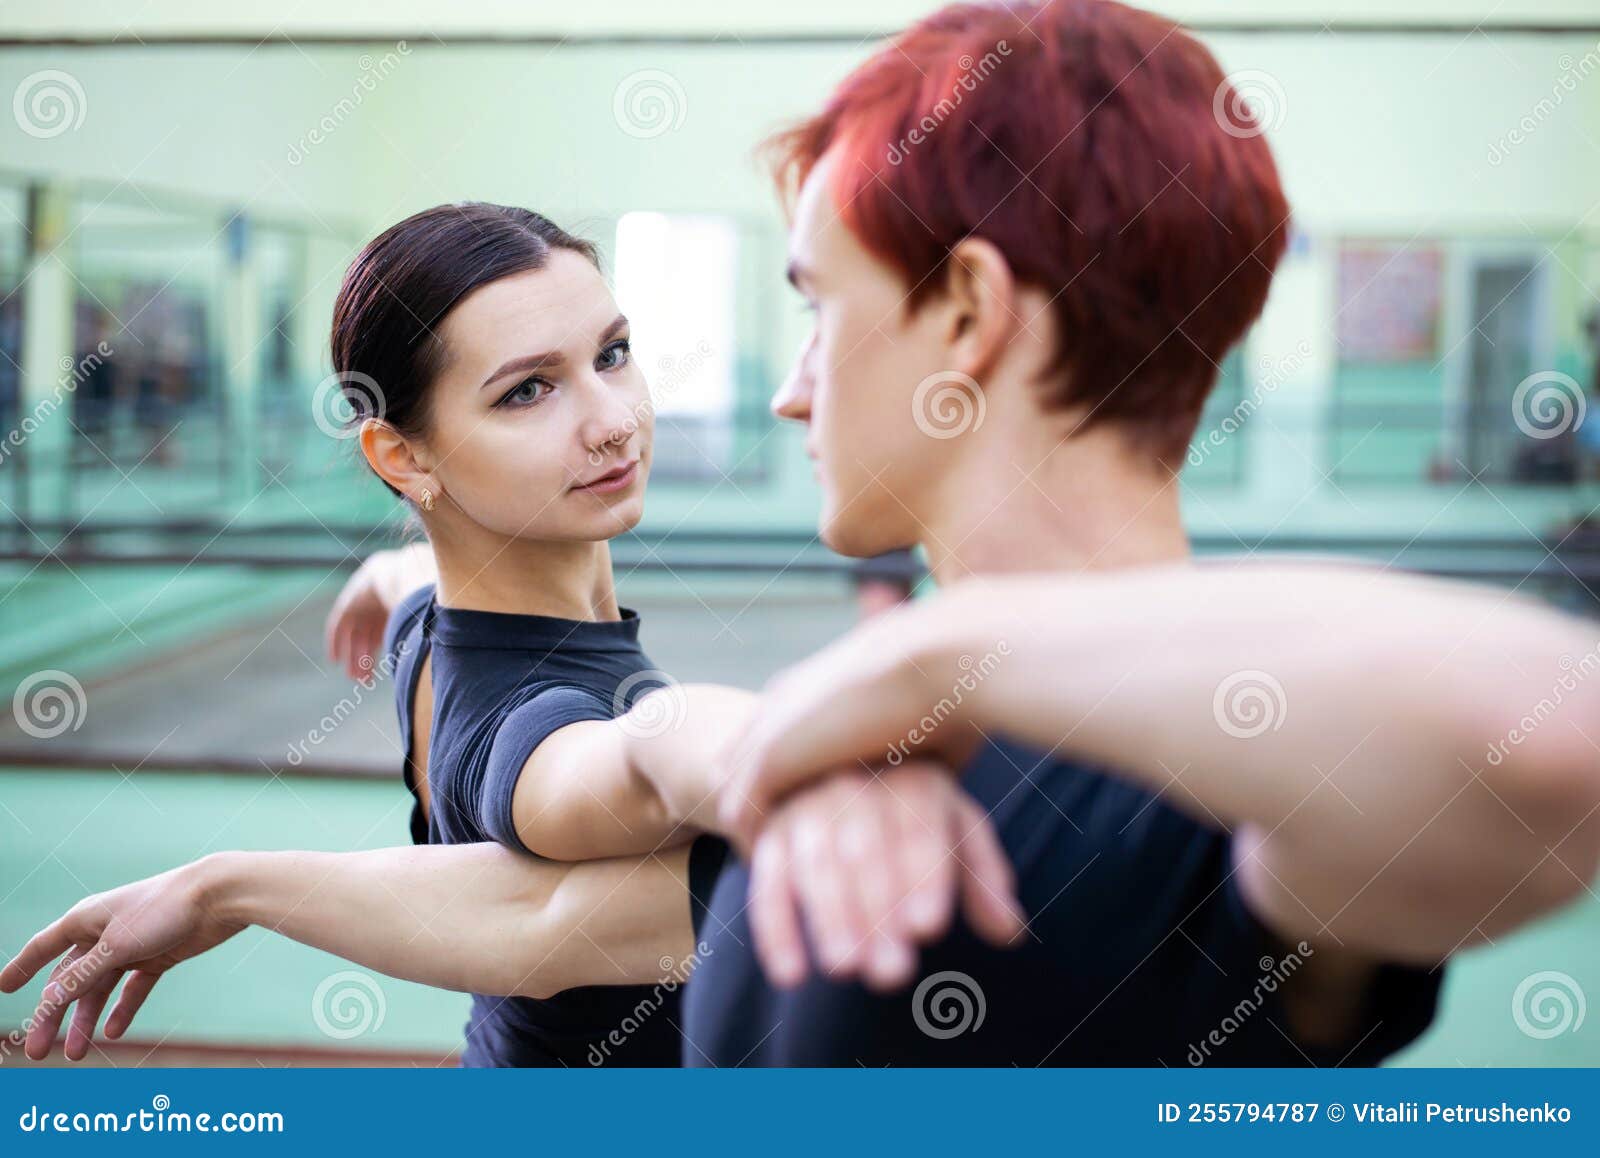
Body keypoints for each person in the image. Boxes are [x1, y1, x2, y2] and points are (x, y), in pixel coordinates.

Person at [8, 0, 1600, 1067]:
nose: (789, 391)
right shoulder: (889, 763)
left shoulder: (1207, 785)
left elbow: (1547, 742)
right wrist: (401, 582)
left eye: (819, 310)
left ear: (967, 312)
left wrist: (943, 647)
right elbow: (550, 914)